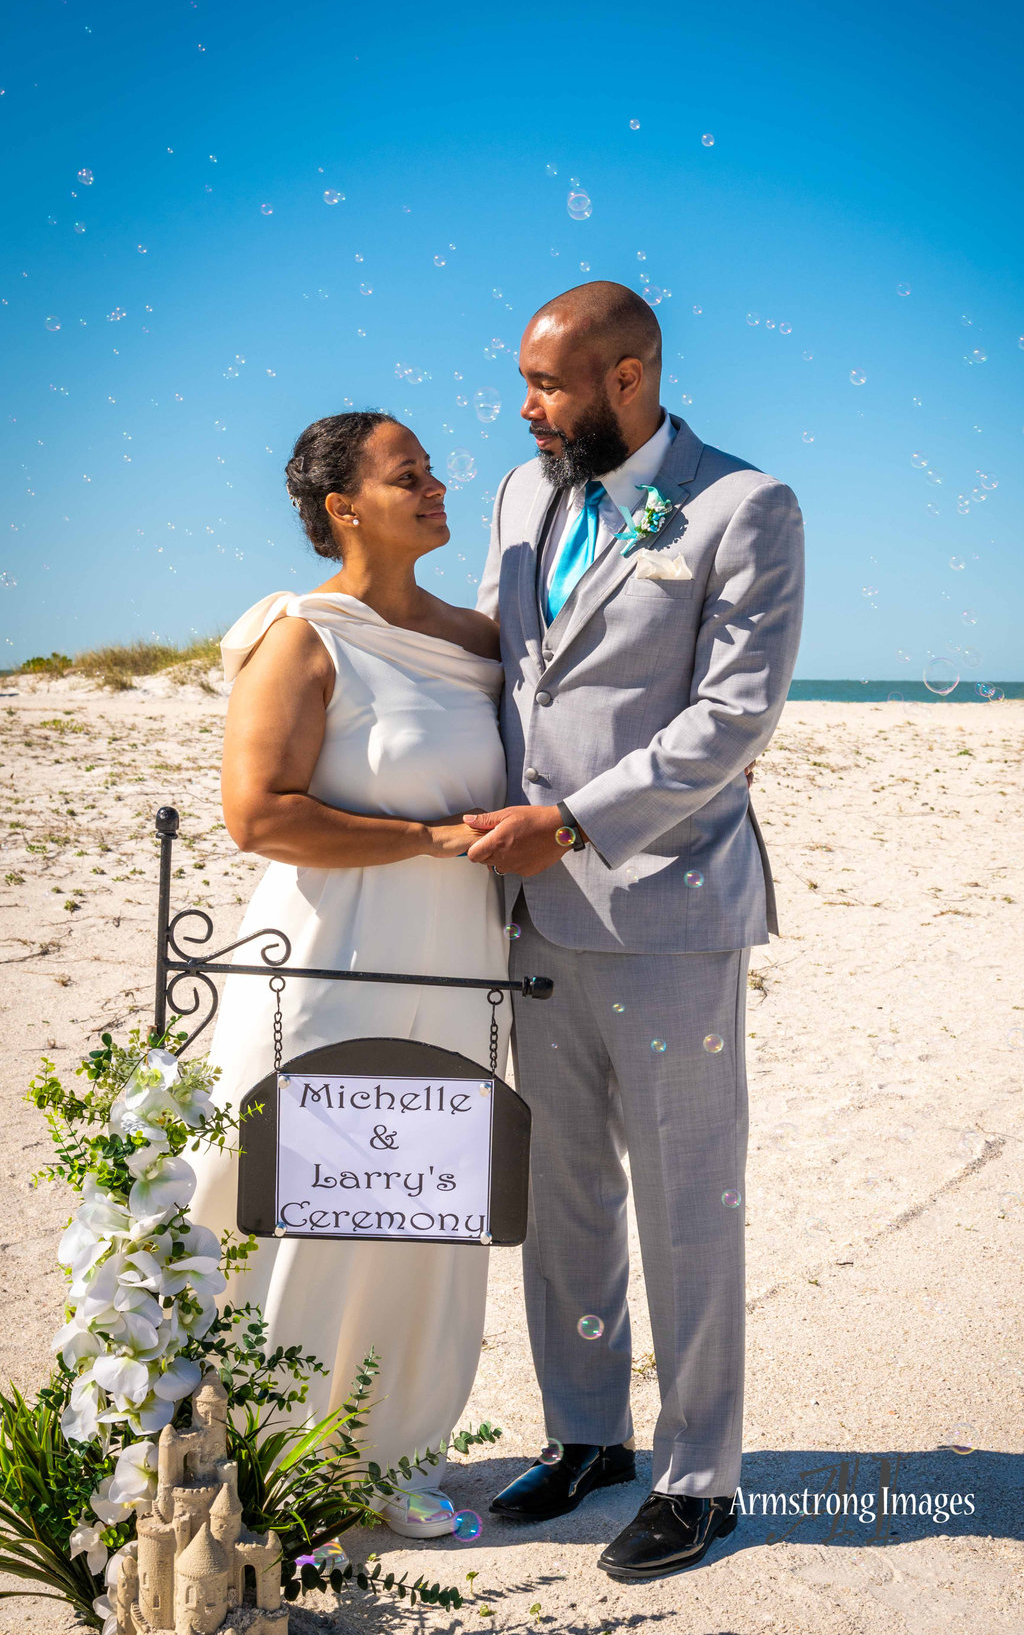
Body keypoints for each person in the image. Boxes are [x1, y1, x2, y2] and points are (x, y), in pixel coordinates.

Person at [470, 281, 804, 1581]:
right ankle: (586, 1434)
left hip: (668, 915)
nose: (524, 406)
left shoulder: (742, 507)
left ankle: (699, 1476)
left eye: (546, 384)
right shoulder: (515, 492)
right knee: (561, 1201)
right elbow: (507, 661)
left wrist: (571, 819)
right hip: (533, 916)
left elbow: (730, 721)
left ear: (627, 377)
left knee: (684, 1202)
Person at [187, 411, 510, 1541]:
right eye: (405, 474)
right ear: (341, 506)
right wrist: (424, 838)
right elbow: (256, 813)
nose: (432, 486)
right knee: (300, 1212)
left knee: (418, 1215)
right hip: (327, 967)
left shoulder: (480, 639)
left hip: (457, 964)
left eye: (430, 471)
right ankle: (254, 1462)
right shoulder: (302, 635)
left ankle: (383, 1458)